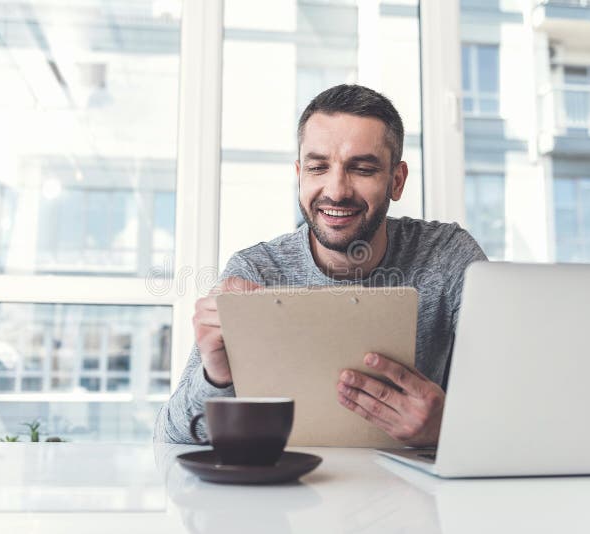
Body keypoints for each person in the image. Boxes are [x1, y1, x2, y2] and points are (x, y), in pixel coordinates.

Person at [156, 84, 486, 447]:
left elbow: (518, 405)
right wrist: (215, 374)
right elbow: (172, 439)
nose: (337, 190)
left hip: (413, 497)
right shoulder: (256, 271)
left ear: (397, 180)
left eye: (361, 169)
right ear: (300, 175)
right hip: (288, 495)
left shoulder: (449, 258)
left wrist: (448, 426)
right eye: (318, 167)